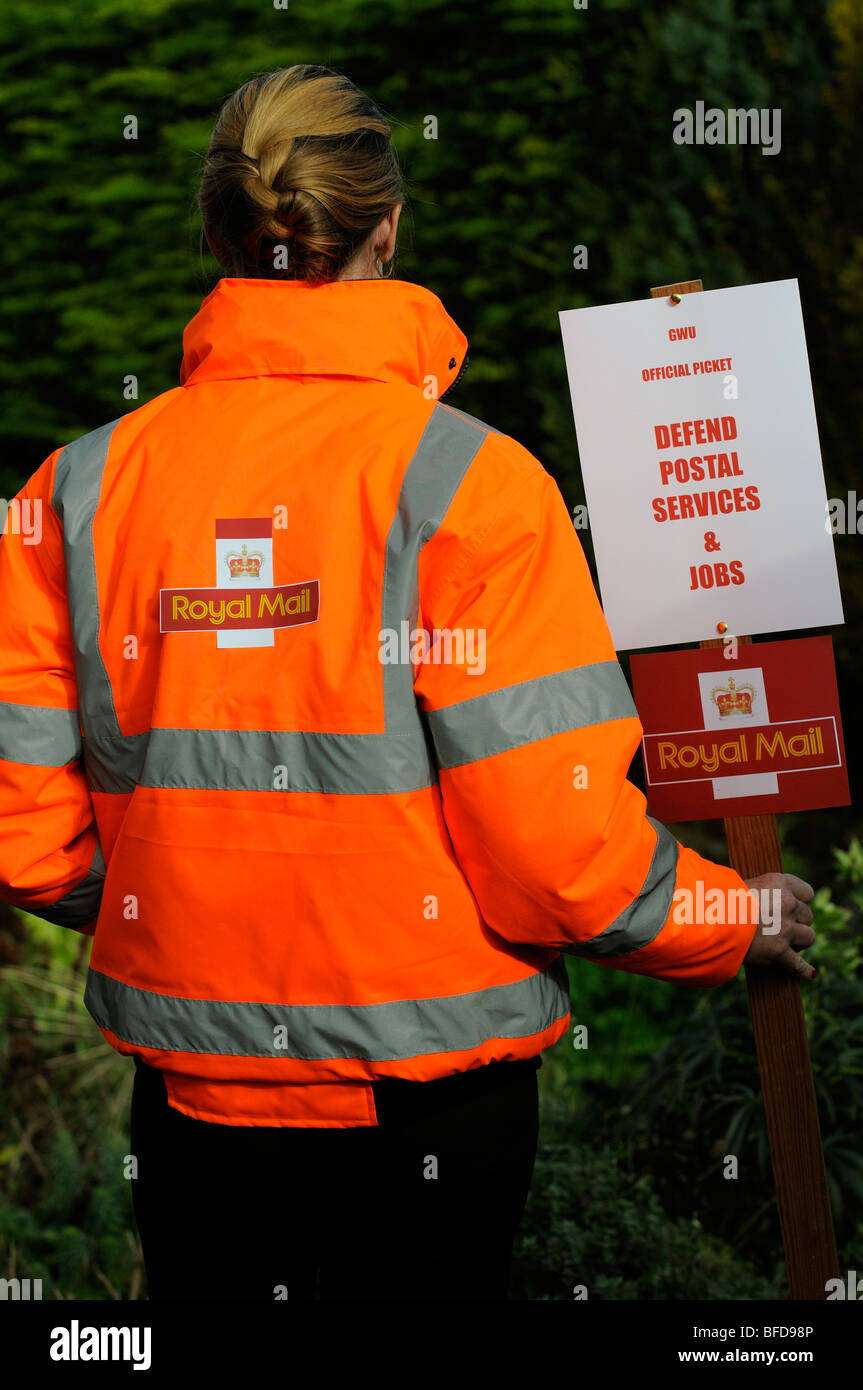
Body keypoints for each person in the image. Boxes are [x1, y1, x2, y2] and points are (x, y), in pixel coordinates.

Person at [0, 63, 816, 1302]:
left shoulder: (73, 489)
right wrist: (730, 916)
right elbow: (555, 848)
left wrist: (192, 892)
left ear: (217, 235)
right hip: (431, 1111)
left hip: (189, 1101)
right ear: (389, 225)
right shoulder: (472, 487)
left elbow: (25, 832)